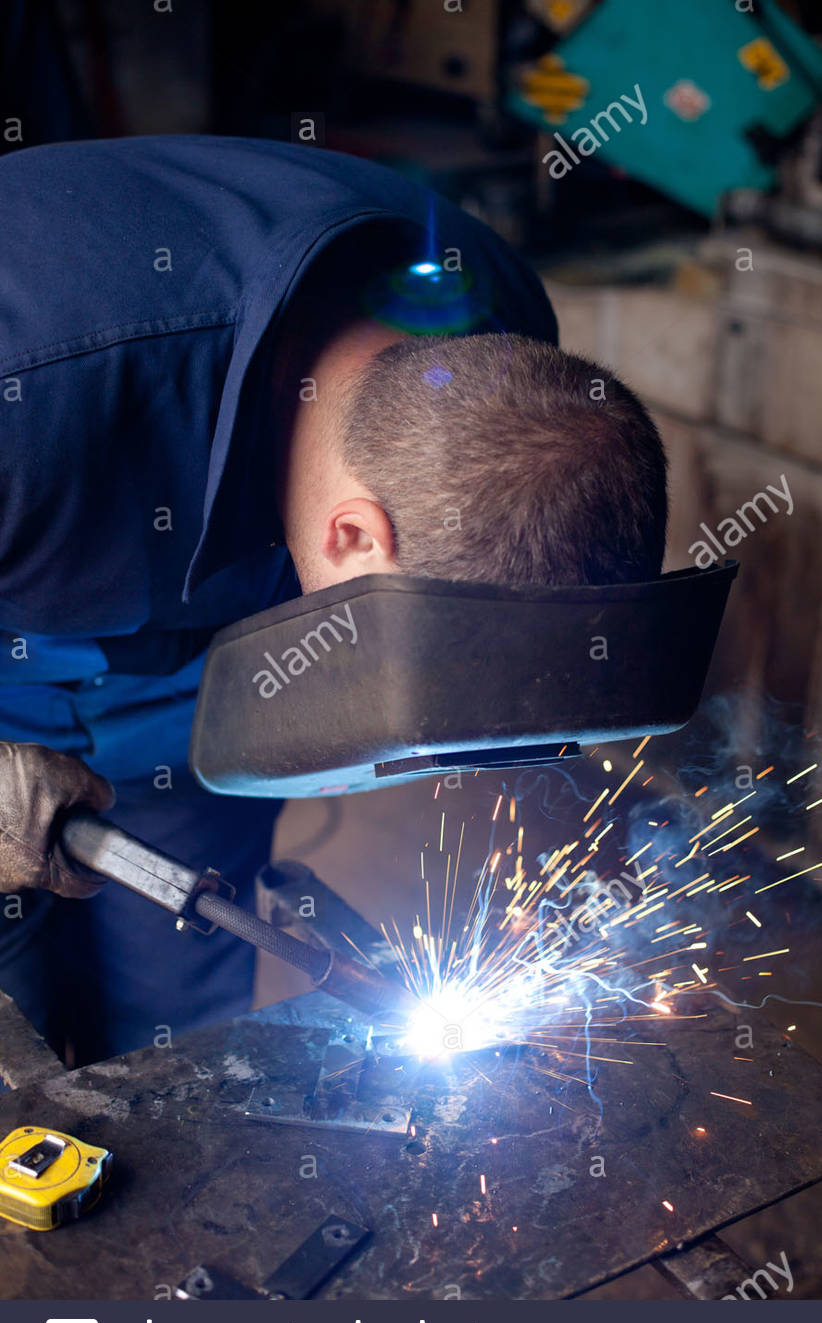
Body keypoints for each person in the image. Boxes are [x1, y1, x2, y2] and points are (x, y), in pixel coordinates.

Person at [0, 136, 667, 1064]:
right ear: (354, 536)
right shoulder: (31, 389)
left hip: (188, 677)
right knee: (17, 1038)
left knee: (172, 1044)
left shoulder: (502, 336)